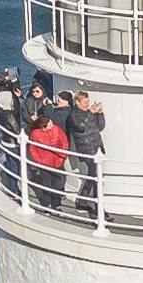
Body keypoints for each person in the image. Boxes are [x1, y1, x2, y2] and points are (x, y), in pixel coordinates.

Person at [62, 88, 106, 221]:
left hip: (96, 148)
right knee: (95, 176)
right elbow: (80, 126)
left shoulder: (87, 113)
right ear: (77, 102)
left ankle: (82, 202)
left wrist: (100, 113)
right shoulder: (73, 115)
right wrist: (91, 113)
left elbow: (100, 126)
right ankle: (96, 207)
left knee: (94, 175)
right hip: (86, 149)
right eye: (85, 102)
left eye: (88, 102)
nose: (87, 104)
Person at [24, 90, 72, 212]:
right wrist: (39, 161)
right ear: (44, 126)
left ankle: (55, 204)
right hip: (45, 163)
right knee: (47, 183)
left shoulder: (56, 129)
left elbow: (64, 142)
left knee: (59, 181)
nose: (52, 125)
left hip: (57, 161)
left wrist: (62, 156)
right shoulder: (36, 134)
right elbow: (33, 149)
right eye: (50, 124)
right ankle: (47, 205)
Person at [0, 72, 25, 201]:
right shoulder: (9, 115)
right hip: (13, 143)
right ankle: (15, 191)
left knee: (10, 164)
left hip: (5, 140)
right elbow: (17, 131)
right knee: (15, 166)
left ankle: (12, 189)